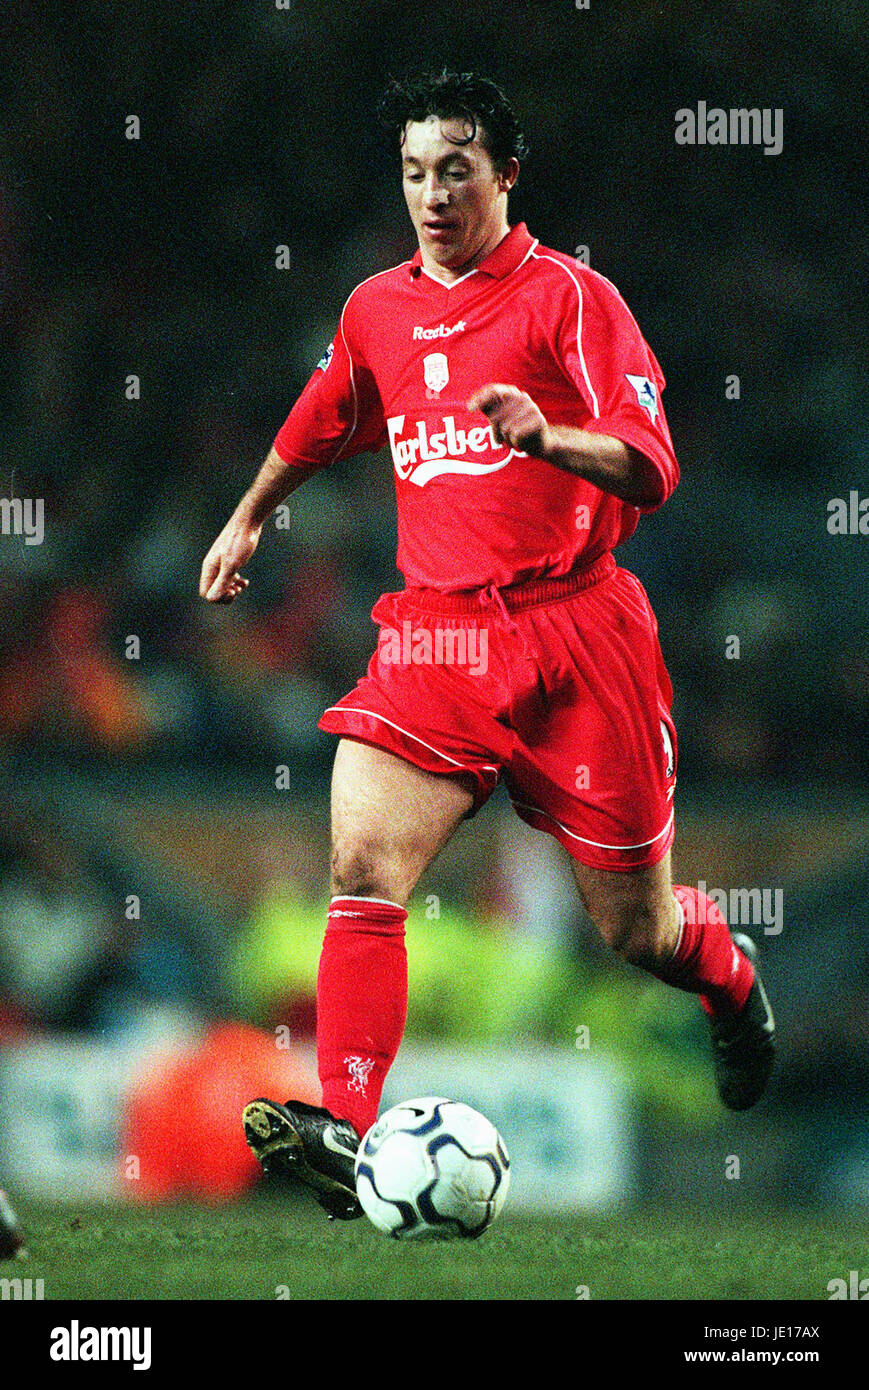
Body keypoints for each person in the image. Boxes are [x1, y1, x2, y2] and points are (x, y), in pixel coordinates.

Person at [200, 70, 775, 1221]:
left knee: (635, 929)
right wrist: (252, 510)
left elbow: (653, 468)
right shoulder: (377, 307)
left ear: (504, 173)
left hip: (580, 634)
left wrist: (548, 435)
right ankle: (349, 1133)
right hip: (439, 635)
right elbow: (321, 415)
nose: (429, 194)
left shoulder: (571, 300)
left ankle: (727, 981)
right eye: (412, 172)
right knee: (363, 866)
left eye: (452, 170)